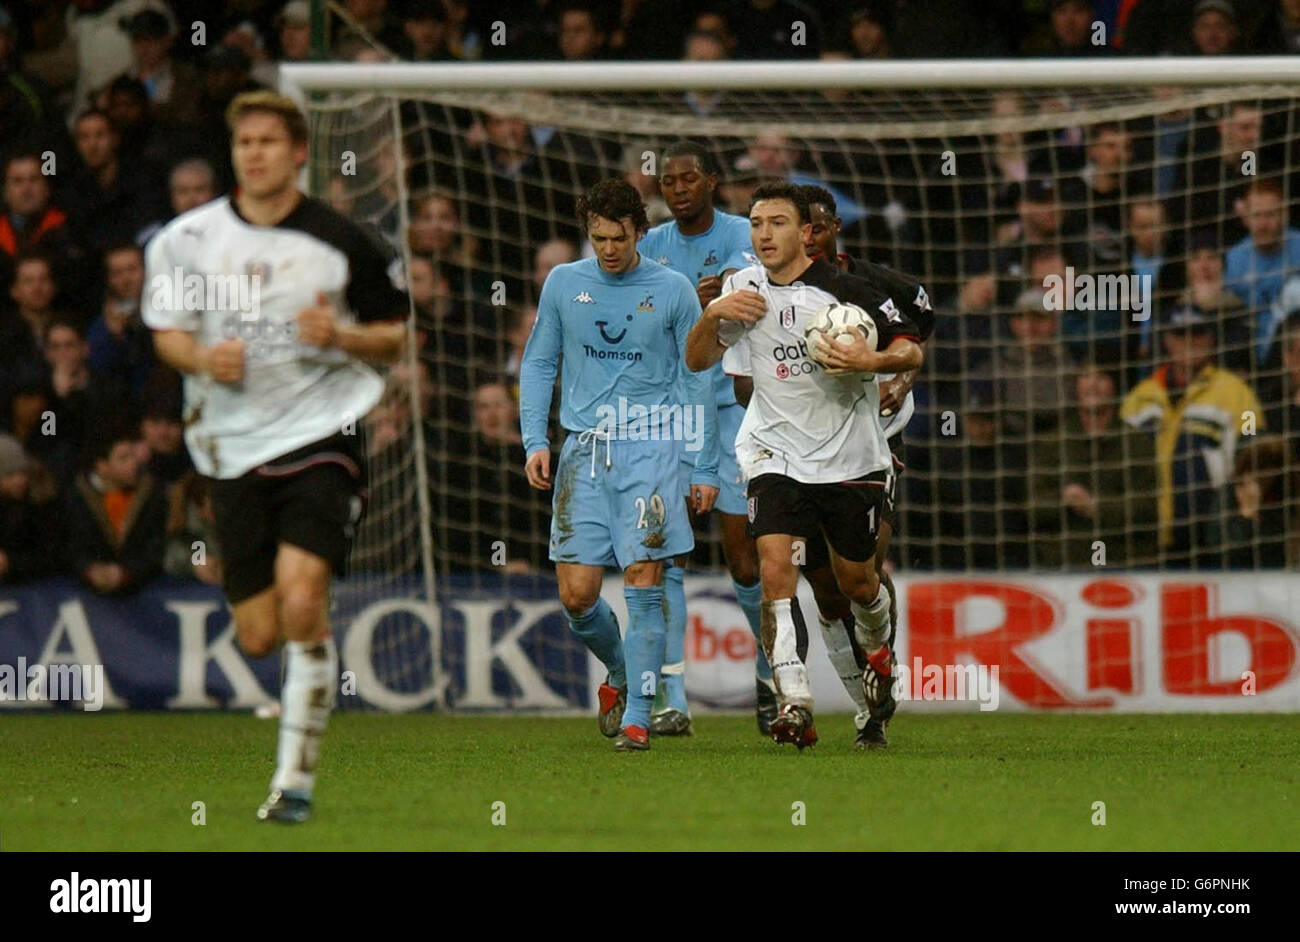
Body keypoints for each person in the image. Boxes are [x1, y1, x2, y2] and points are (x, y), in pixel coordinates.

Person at [142, 90, 408, 823]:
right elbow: (165, 332)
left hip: (322, 431)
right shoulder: (185, 240)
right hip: (228, 446)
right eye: (243, 142)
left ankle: (293, 783)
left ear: (297, 153)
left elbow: (393, 335)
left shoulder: (341, 240)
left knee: (301, 598)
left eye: (267, 141)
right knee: (260, 634)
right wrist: (200, 357)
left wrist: (342, 337)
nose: (254, 153)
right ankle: (306, 674)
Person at [685, 181, 923, 748]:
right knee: (775, 571)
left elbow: (911, 350)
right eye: (757, 223)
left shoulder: (849, 290)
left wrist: (871, 359)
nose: (765, 234)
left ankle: (880, 652)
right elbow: (697, 361)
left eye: (777, 223)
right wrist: (713, 313)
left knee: (856, 584)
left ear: (806, 233)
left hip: (850, 456)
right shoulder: (740, 289)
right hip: (775, 454)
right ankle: (793, 701)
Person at [519, 178, 719, 751]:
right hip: (583, 451)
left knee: (644, 582)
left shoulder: (674, 289)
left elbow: (696, 378)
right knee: (578, 595)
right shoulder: (563, 283)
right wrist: (536, 439)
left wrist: (702, 465)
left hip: (652, 449)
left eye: (619, 238)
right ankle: (625, 670)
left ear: (640, 232)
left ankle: (638, 716)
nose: (608, 249)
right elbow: (539, 364)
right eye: (598, 238)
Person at [786, 182, 935, 748]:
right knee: (824, 587)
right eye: (800, 230)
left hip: (874, 440)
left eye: (818, 228)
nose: (809, 239)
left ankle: (880, 665)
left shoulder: (878, 286)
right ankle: (864, 706)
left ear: (834, 228)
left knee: (864, 574)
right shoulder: (772, 291)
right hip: (803, 450)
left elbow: (915, 336)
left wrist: (900, 377)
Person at [637, 140, 770, 737]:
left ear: (711, 181)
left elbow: (771, 305)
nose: (678, 188)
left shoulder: (749, 235)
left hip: (735, 412)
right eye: (668, 181)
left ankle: (772, 676)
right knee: (666, 550)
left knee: (744, 555)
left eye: (689, 178)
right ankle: (671, 698)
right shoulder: (651, 247)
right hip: (671, 415)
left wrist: (732, 298)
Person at [64, 424, 167, 595]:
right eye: (124, 458)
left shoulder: (153, 494)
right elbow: (70, 547)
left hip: (142, 592)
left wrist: (126, 573)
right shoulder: (77, 498)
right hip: (88, 597)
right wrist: (90, 570)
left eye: (134, 455)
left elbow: (157, 548)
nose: (134, 463)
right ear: (102, 466)